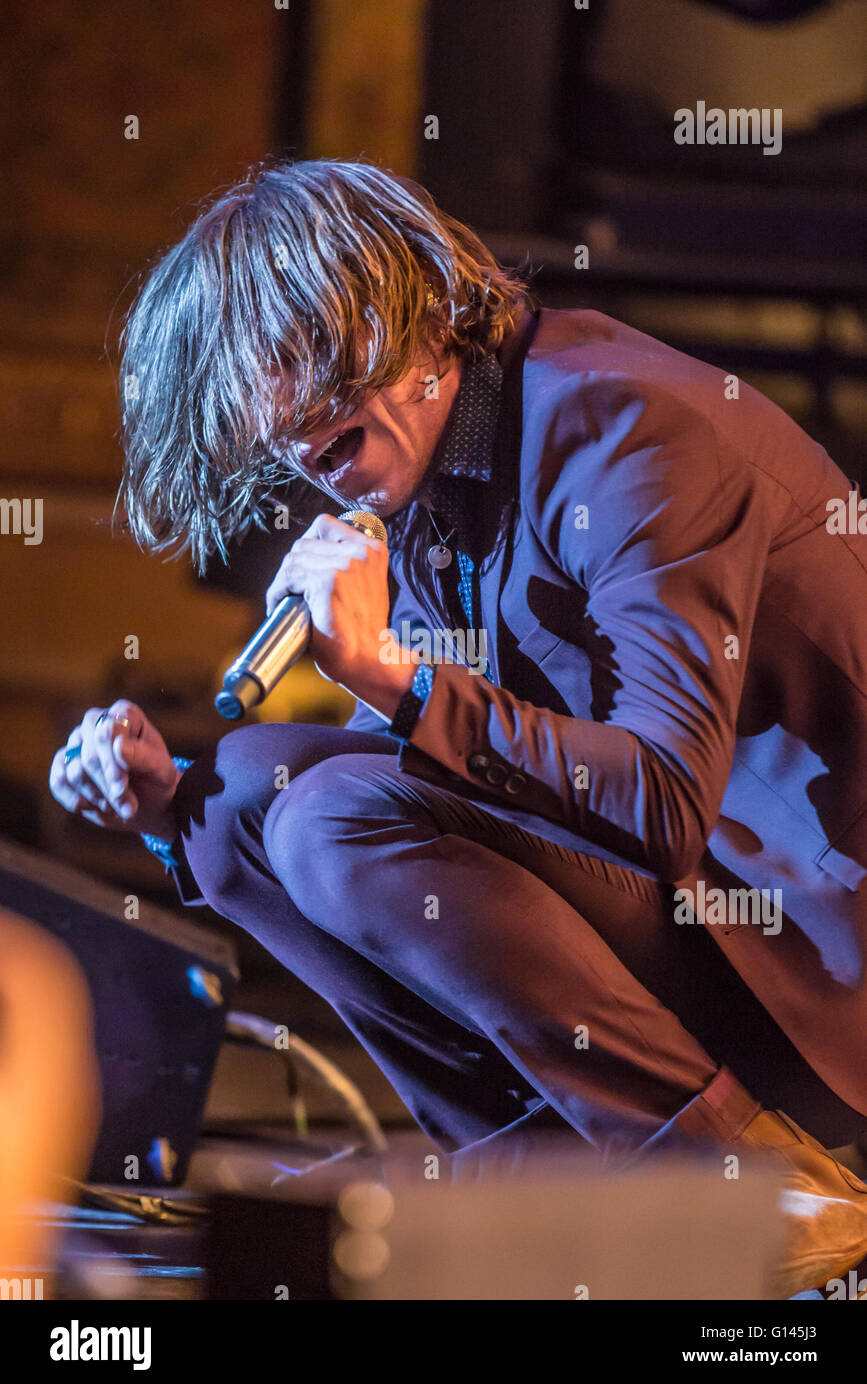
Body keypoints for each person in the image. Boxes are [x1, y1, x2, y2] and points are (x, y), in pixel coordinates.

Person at [50, 158, 867, 1297]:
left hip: (800, 956)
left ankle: (757, 1181)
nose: (283, 427)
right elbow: (422, 781)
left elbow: (667, 805)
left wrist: (395, 679)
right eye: (258, 392)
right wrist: (162, 801)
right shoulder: (431, 470)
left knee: (334, 814)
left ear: (410, 310)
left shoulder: (620, 429)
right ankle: (537, 1164)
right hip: (678, 931)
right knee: (236, 798)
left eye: (301, 357)